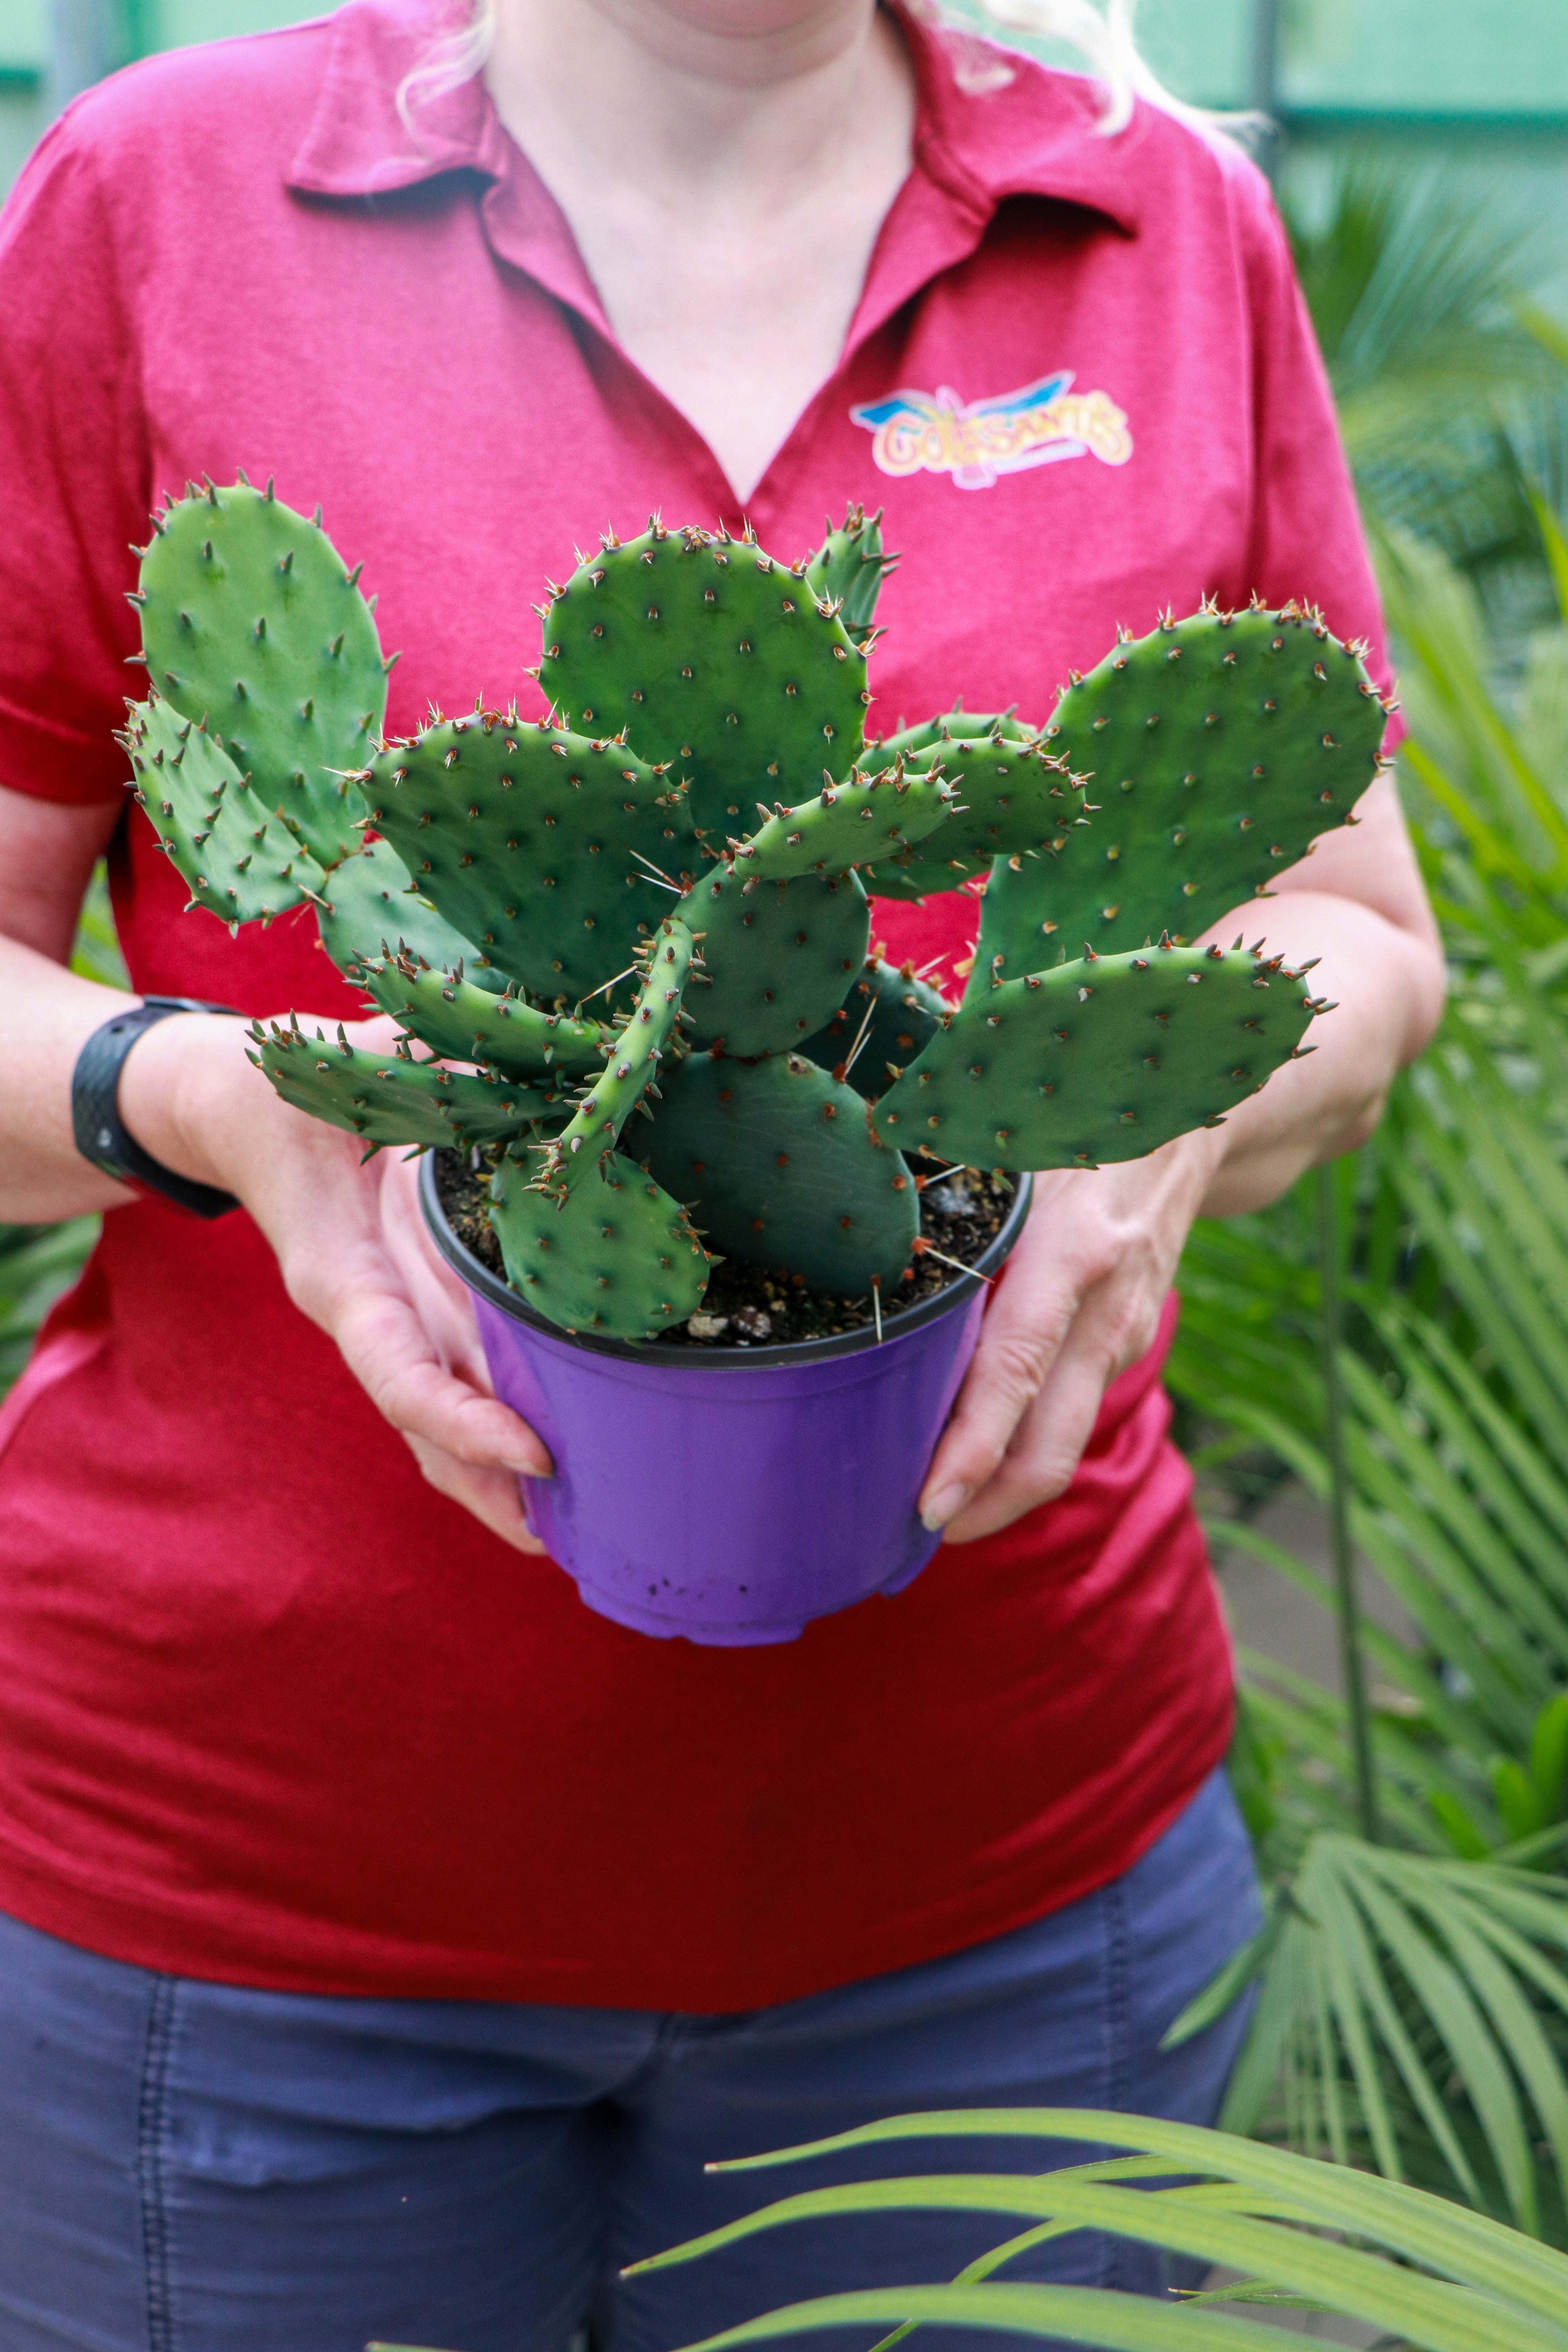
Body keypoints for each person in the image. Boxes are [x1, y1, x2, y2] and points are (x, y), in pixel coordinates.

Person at [0, 2, 1444, 2347]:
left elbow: (1361, 939)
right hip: (247, 1913)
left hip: (1006, 1902)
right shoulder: (165, 193)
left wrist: (1148, 1130)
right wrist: (206, 1094)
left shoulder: (1157, 208)